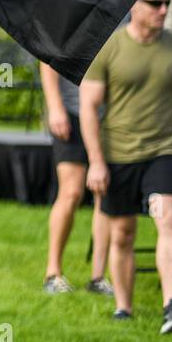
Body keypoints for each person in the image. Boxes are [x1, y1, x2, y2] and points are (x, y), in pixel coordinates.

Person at [80, 0, 172, 332]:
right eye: (155, 3)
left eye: (166, 3)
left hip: (162, 151)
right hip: (117, 155)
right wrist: (96, 161)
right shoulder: (109, 46)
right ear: (134, 5)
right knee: (122, 234)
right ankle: (124, 306)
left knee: (169, 218)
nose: (163, 10)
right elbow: (89, 107)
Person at [41, 62, 112, 295]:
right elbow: (49, 56)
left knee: (105, 193)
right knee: (71, 192)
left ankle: (98, 278)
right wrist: (54, 106)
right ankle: (53, 274)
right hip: (71, 111)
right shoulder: (70, 22)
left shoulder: (127, 22)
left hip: (111, 117)